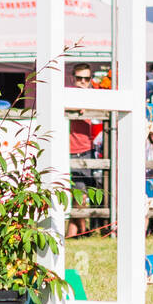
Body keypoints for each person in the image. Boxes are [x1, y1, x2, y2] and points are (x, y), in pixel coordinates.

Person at [67, 63, 100, 238]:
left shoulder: (93, 96)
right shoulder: (68, 94)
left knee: (84, 194)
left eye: (86, 79)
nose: (82, 82)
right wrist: (76, 107)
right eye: (79, 78)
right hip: (72, 150)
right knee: (80, 195)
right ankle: (85, 231)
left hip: (89, 151)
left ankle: (73, 235)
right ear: (73, 78)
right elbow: (59, 105)